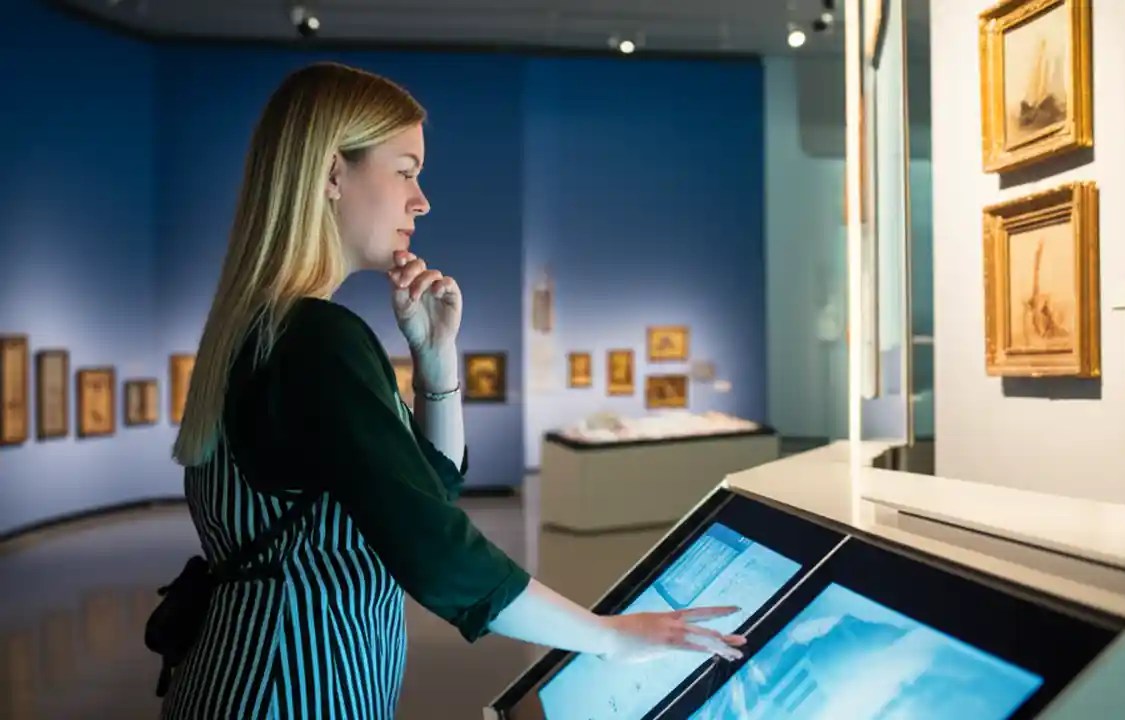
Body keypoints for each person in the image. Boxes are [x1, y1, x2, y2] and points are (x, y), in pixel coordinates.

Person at [161, 61, 745, 718]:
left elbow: (425, 488)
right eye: (406, 170)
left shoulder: (262, 327)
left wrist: (435, 362)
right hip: (288, 689)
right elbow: (435, 549)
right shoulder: (317, 338)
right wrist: (606, 636)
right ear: (330, 174)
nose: (422, 200)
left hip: (237, 676)